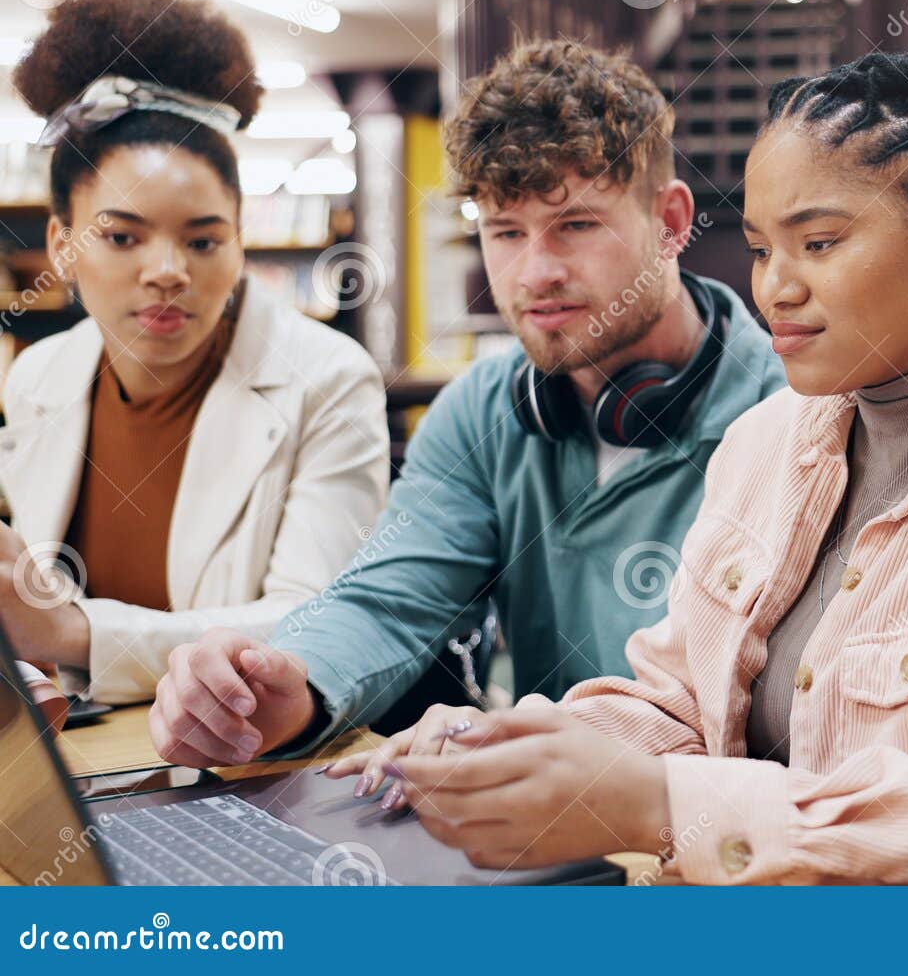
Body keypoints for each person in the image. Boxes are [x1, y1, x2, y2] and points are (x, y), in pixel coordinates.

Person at [351, 49, 908, 883]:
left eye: (821, 243)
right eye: (763, 249)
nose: (775, 290)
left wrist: (663, 806)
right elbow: (679, 704)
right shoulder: (767, 441)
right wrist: (515, 752)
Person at [148, 39, 787, 769]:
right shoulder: (480, 410)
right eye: (505, 232)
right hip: (551, 840)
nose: (536, 271)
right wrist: (291, 685)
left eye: (575, 225)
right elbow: (386, 600)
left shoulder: (795, 413)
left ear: (672, 222)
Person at [0, 0, 388, 705]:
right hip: (83, 762)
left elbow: (320, 625)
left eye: (204, 240)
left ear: (241, 244)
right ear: (62, 245)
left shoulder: (329, 379)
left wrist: (75, 632)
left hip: (246, 770)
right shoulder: (37, 379)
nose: (169, 272)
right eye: (121, 237)